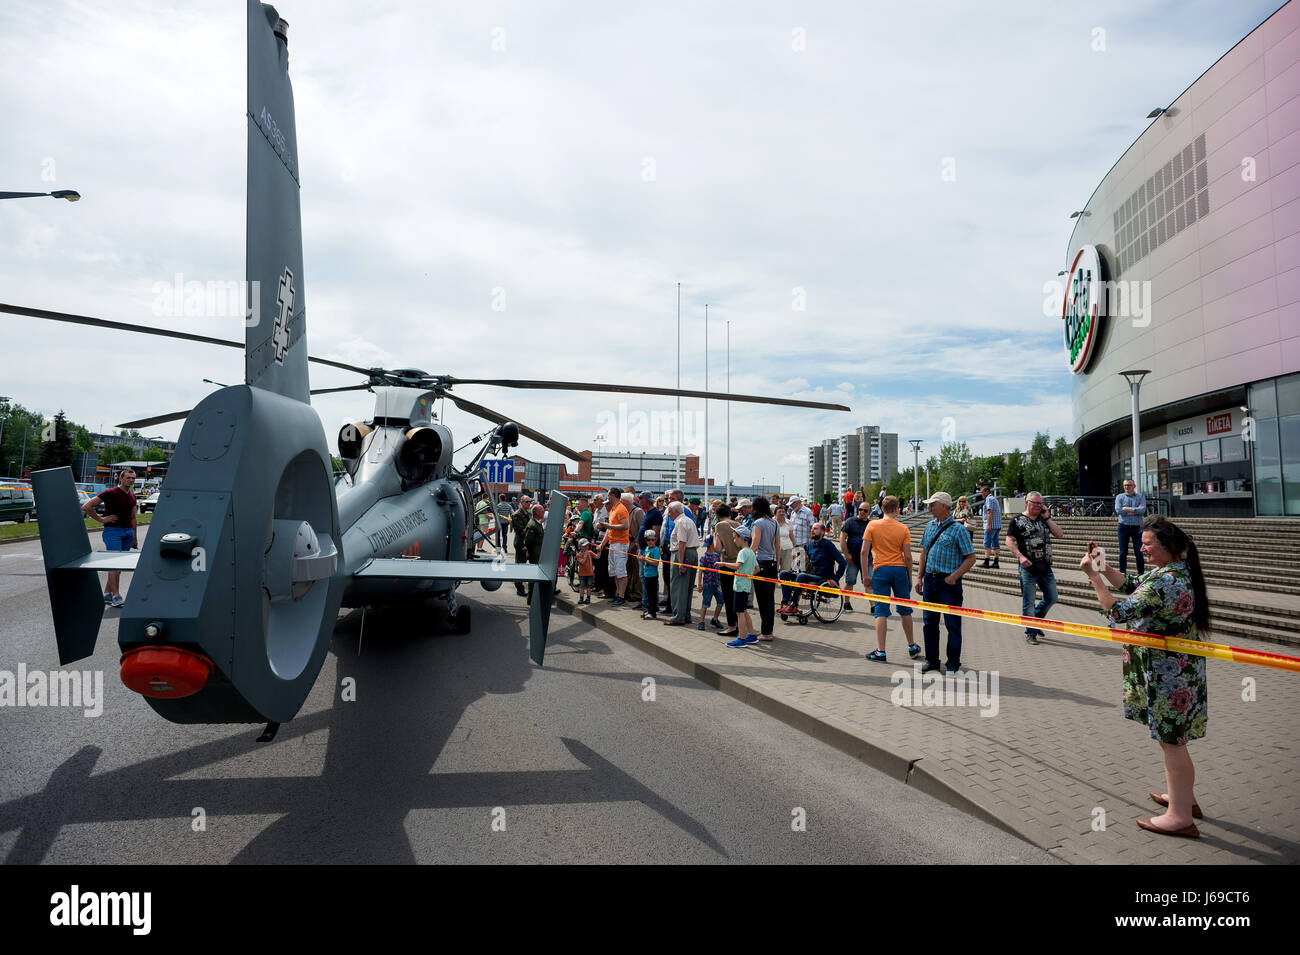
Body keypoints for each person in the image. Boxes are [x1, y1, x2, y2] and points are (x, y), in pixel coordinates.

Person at [1080, 515, 1210, 838]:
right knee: (1173, 742)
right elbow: (1131, 584)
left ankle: (1179, 816)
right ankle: (1184, 799)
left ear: (1167, 546)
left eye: (1148, 544)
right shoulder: (1175, 571)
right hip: (1180, 672)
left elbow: (1115, 610)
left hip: (1168, 678)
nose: (1141, 548)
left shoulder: (1165, 582)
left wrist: (1093, 577)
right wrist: (1103, 566)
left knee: (1172, 743)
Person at [915, 491, 977, 673]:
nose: (929, 508)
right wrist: (919, 577)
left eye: (932, 505)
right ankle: (932, 661)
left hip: (949, 584)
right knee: (929, 623)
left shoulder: (959, 530)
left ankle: (953, 664)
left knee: (952, 625)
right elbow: (924, 553)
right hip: (930, 580)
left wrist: (955, 576)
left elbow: (971, 558)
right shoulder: (930, 526)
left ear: (944, 506)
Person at [863, 495, 919, 662]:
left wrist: (865, 575)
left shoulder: (872, 525)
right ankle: (912, 646)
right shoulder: (903, 528)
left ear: (881, 509)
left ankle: (881, 651)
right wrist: (909, 577)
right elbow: (908, 556)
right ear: (897, 510)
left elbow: (864, 552)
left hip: (880, 570)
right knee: (905, 609)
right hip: (899, 570)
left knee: (881, 610)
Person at [1006, 491, 1065, 645]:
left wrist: (1048, 517)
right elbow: (1009, 541)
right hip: (1028, 568)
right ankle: (1031, 633)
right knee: (1029, 602)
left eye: (1040, 503)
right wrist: (1020, 556)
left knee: (1052, 597)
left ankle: (1035, 621)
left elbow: (1059, 534)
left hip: (1045, 566)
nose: (1039, 506)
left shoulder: (1044, 519)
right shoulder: (1017, 520)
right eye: (1035, 503)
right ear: (1027, 503)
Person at [83, 468, 138, 607]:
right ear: (121, 478)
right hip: (113, 532)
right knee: (114, 565)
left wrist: (134, 537)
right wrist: (102, 519)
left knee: (119, 566)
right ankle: (116, 596)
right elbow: (87, 506)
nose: (131, 480)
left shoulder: (132, 495)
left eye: (133, 478)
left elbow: (133, 517)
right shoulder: (111, 493)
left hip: (128, 533)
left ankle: (107, 594)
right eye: (128, 478)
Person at [778, 521, 846, 615]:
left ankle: (792, 604)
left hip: (824, 578)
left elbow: (843, 562)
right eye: (812, 529)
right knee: (783, 574)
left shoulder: (828, 545)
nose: (812, 531)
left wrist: (835, 579)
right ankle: (787, 601)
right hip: (811, 575)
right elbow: (803, 560)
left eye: (815, 529)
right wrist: (798, 569)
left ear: (822, 532)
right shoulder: (810, 545)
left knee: (802, 576)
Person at [749, 497, 780, 640]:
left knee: (762, 600)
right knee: (770, 599)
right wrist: (777, 564)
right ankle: (768, 630)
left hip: (761, 562)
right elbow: (777, 545)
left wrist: (745, 559)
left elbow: (755, 545)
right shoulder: (775, 522)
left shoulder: (758, 523)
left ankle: (766, 633)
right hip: (772, 563)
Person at [665, 501, 701, 626]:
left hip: (682, 554)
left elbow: (682, 542)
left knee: (678, 587)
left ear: (676, 511)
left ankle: (678, 617)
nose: (668, 514)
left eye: (670, 511)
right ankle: (685, 615)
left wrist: (680, 563)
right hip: (692, 553)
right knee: (688, 587)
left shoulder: (680, 522)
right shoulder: (688, 520)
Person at [712, 504, 743, 636]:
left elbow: (718, 548)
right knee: (738, 595)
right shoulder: (737, 524)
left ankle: (731, 626)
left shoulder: (719, 526)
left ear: (717, 514)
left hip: (727, 563)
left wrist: (714, 536)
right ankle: (740, 624)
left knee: (728, 597)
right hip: (739, 563)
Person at [597, 489, 632, 606]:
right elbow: (609, 529)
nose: (607, 497)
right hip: (614, 543)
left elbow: (625, 525)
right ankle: (618, 595)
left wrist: (609, 526)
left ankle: (621, 596)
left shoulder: (621, 508)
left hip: (620, 543)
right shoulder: (613, 509)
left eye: (608, 495)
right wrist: (602, 544)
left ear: (612, 495)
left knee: (621, 571)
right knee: (615, 571)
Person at [722, 539, 759, 647]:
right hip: (746, 586)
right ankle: (752, 635)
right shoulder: (751, 552)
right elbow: (757, 569)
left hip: (740, 586)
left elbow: (737, 566)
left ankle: (741, 639)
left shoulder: (742, 552)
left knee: (740, 613)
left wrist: (724, 563)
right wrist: (748, 576)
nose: (734, 541)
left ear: (742, 538)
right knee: (744, 611)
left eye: (735, 537)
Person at [839, 501, 871, 612]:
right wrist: (846, 554)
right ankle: (846, 603)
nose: (862, 512)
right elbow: (842, 538)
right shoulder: (850, 521)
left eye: (865, 510)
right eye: (860, 509)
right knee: (850, 581)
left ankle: (873, 606)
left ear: (869, 512)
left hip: (867, 559)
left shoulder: (871, 524)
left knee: (869, 583)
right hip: (852, 558)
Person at [1115, 478, 1148, 576]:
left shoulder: (1140, 497)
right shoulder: (1119, 497)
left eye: (1129, 485)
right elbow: (1118, 510)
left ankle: (1141, 574)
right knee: (1123, 552)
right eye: (1125, 485)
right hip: (1123, 527)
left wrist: (1127, 509)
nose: (1126, 487)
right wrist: (1135, 510)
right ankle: (1122, 574)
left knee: (1139, 552)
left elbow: (1142, 510)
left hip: (1137, 527)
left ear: (1134, 486)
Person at [696, 535, 724, 630]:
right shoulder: (704, 557)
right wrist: (700, 584)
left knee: (721, 601)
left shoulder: (716, 555)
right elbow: (700, 571)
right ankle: (701, 621)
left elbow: (719, 568)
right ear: (712, 544)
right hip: (708, 584)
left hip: (717, 583)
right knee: (705, 603)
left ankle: (715, 619)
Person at [523, 503, 546, 604]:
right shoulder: (532, 525)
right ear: (536, 513)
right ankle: (531, 599)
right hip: (535, 555)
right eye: (542, 511)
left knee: (536, 577)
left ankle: (533, 599)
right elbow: (528, 541)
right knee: (533, 578)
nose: (543, 512)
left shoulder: (537, 523)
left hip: (538, 553)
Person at [510, 494, 532, 596]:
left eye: (529, 502)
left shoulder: (528, 513)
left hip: (527, 542)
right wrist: (532, 527)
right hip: (520, 543)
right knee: (520, 565)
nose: (529, 503)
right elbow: (522, 531)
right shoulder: (517, 514)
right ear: (521, 502)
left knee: (525, 565)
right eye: (526, 502)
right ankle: (519, 588)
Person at [979, 485, 1002, 568]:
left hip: (991, 525)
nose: (981, 494)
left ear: (987, 491)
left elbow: (990, 512)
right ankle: (996, 562)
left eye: (982, 492)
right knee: (995, 543)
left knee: (987, 543)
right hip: (997, 525)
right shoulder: (994, 499)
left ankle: (986, 561)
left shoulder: (989, 499)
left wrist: (988, 525)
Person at [787, 497, 813, 573]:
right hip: (794, 544)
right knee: (794, 567)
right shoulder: (793, 512)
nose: (790, 506)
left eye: (791, 504)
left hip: (803, 544)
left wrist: (810, 542)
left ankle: (801, 579)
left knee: (802, 567)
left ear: (797, 503)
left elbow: (812, 527)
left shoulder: (807, 512)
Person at [639, 530, 661, 619]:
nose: (651, 542)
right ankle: (649, 610)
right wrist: (641, 559)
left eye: (653, 540)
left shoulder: (656, 549)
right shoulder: (647, 548)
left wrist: (645, 559)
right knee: (648, 594)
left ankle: (653, 612)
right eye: (649, 540)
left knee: (653, 595)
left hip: (653, 576)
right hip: (646, 574)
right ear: (645, 540)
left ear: (655, 540)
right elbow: (645, 561)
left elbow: (656, 563)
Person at [775, 505, 796, 573]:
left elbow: (792, 537)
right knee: (774, 570)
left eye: (783, 511)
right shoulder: (772, 522)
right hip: (774, 550)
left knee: (785, 571)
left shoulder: (788, 522)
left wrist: (794, 550)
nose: (782, 513)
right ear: (775, 513)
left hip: (787, 549)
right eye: (779, 511)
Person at [575, 539, 595, 604]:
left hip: (590, 573)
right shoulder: (578, 555)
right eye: (584, 546)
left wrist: (599, 552)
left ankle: (588, 598)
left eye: (587, 546)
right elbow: (582, 562)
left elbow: (597, 557)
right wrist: (586, 555)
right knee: (582, 587)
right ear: (580, 547)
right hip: (582, 574)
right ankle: (581, 598)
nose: (586, 547)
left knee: (589, 587)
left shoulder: (590, 552)